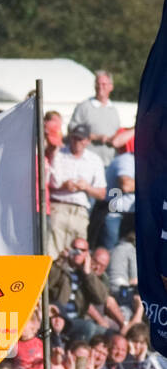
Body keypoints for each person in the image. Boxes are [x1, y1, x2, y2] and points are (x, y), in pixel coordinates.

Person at [47, 125, 105, 259]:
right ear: (70, 138)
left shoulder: (94, 160)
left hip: (80, 211)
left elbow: (102, 193)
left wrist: (86, 187)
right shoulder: (59, 154)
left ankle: (73, 280)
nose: (77, 142)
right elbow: (46, 184)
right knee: (53, 253)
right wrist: (64, 186)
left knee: (77, 255)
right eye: (75, 138)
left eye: (81, 139)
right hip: (58, 207)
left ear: (87, 141)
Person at [72, 71, 121, 166]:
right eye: (98, 84)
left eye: (104, 84)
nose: (100, 87)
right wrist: (96, 137)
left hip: (110, 163)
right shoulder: (84, 106)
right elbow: (73, 129)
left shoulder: (113, 110)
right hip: (88, 163)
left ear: (111, 87)